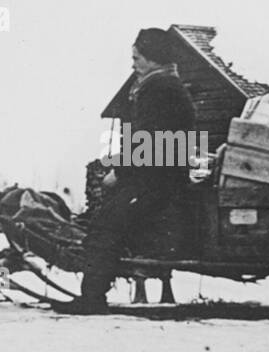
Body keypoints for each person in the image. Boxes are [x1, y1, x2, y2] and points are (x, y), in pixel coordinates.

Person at [63, 27, 196, 313]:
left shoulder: (158, 88)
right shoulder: (167, 85)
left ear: (152, 58)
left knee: (105, 223)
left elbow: (148, 141)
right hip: (163, 177)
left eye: (137, 57)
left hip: (156, 183)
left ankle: (92, 299)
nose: (133, 63)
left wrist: (119, 172)